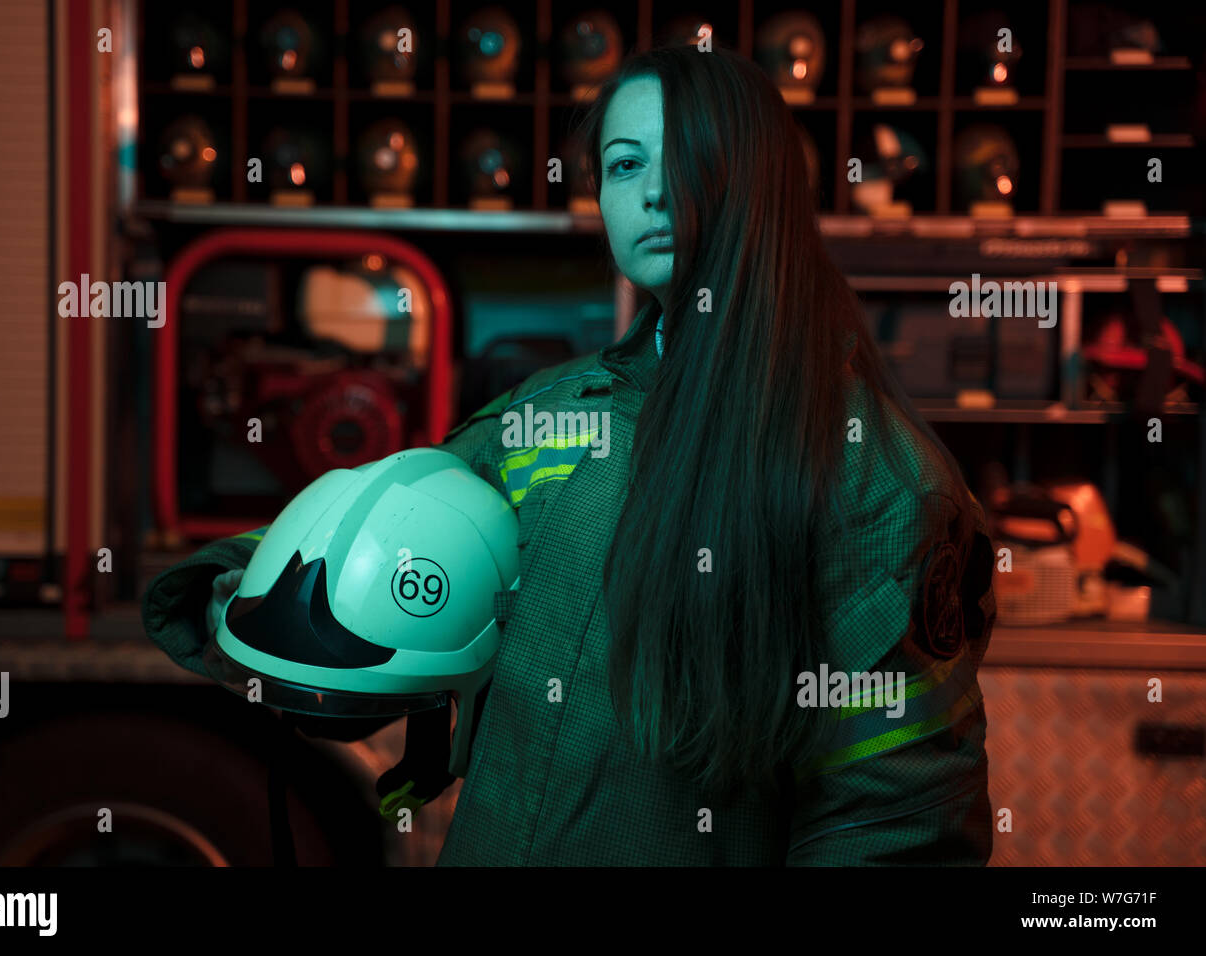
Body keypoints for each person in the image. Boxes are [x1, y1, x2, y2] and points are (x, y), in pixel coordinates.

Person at [149, 44, 997, 866]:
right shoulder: (549, 416)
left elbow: (895, 825)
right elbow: (380, 529)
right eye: (624, 166)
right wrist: (260, 610)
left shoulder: (876, 480)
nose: (655, 193)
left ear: (767, 186)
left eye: (691, 159)